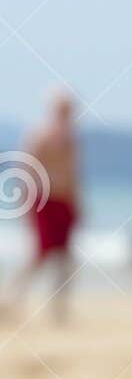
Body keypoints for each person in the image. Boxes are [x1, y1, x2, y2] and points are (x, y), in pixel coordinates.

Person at [9, 89, 82, 322]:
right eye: (62, 109)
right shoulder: (39, 136)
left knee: (65, 258)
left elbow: (73, 175)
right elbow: (26, 169)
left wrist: (76, 204)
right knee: (39, 256)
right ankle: (11, 298)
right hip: (43, 202)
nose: (66, 114)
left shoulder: (72, 141)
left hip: (64, 203)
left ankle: (59, 309)